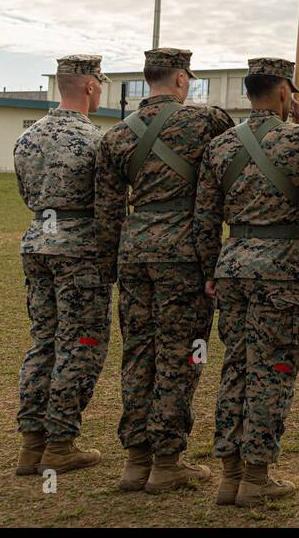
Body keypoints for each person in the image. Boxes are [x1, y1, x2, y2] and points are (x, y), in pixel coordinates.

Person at [96, 48, 235, 494]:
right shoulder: (206, 122)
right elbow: (237, 165)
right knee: (181, 355)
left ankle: (136, 461)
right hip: (183, 254)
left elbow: (107, 209)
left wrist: (109, 263)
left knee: (138, 352)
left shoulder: (116, 136)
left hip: (134, 252)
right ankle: (167, 461)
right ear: (179, 79)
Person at [193, 58, 299, 509]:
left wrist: (210, 270)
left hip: (231, 267)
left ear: (249, 93)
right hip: (279, 268)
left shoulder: (220, 145)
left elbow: (205, 217)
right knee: (273, 371)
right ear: (285, 93)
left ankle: (230, 475)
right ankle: (257, 476)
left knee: (236, 368)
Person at [12, 55, 112, 476]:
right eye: (101, 83)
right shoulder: (95, 139)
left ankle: (31, 445)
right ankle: (60, 445)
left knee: (44, 341)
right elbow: (107, 204)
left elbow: (24, 192)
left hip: (38, 240)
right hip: (79, 247)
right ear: (90, 86)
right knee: (81, 343)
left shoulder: (29, 137)